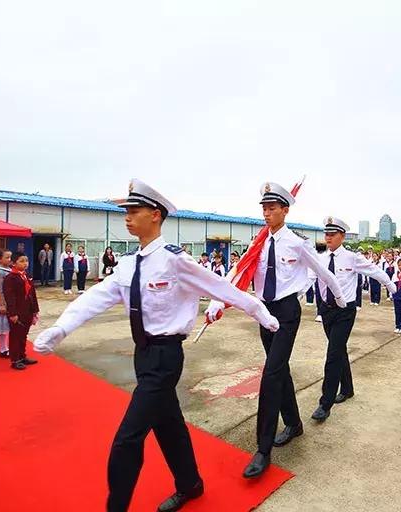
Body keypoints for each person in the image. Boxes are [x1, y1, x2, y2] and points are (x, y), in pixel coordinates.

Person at [33, 179, 279, 512]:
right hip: (143, 354)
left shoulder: (175, 261)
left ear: (156, 215)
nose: (127, 217)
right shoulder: (128, 264)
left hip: (166, 357)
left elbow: (222, 287)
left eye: (134, 211)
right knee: (168, 425)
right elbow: (95, 297)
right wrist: (61, 327)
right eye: (126, 211)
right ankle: (190, 484)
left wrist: (260, 311)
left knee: (128, 438)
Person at [205, 182, 345, 480]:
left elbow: (323, 272)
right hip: (264, 311)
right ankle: (294, 423)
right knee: (280, 370)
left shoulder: (297, 243)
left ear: (285, 210)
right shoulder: (258, 244)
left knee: (270, 375)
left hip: (286, 313)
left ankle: (263, 449)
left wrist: (339, 297)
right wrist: (218, 300)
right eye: (264, 209)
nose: (266, 213)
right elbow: (237, 273)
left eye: (272, 208)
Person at [309, 217, 396, 422]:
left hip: (345, 312)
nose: (328, 237)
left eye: (332, 234)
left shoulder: (352, 258)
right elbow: (309, 279)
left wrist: (391, 286)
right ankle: (347, 389)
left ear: (342, 236)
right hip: (326, 310)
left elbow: (374, 271)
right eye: (326, 234)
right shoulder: (320, 259)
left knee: (332, 354)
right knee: (339, 349)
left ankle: (325, 403)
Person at [3, 252, 39, 370]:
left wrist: (35, 310)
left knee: (23, 335)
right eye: (22, 261)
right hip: (17, 311)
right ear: (14, 263)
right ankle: (15, 359)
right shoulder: (10, 278)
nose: (25, 263)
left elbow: (32, 294)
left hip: (27, 310)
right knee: (15, 336)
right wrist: (12, 313)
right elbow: (10, 297)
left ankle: (22, 356)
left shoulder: (26, 276)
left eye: (26, 261)